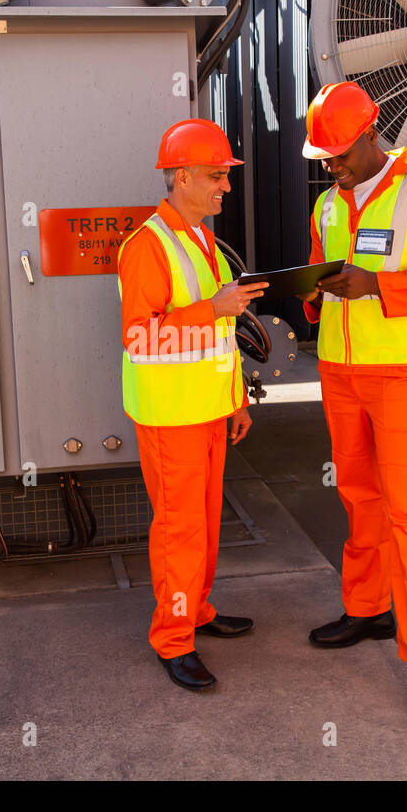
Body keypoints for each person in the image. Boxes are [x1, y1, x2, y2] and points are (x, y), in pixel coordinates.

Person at [297, 82, 407, 737]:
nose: (331, 167)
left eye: (339, 154)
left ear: (371, 136)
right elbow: (320, 272)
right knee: (357, 495)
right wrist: (310, 294)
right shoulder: (326, 205)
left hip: (402, 373)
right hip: (340, 372)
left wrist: (377, 285)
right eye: (324, 157)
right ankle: (368, 606)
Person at [117, 118, 268, 691]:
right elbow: (141, 338)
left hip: (205, 413)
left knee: (203, 525)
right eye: (215, 176)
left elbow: (219, 338)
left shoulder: (201, 242)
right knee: (180, 530)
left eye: (225, 176)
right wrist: (217, 307)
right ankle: (173, 638)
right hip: (169, 418)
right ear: (180, 177)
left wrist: (235, 402)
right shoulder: (147, 247)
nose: (224, 187)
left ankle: (197, 612)